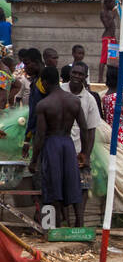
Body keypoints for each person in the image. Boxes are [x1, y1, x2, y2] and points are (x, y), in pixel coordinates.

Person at [28, 66, 91, 228]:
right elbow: (84, 128)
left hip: (52, 144)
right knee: (73, 182)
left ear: (45, 82)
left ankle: (55, 225)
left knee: (53, 183)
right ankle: (79, 223)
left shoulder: (44, 104)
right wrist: (84, 152)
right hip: (67, 143)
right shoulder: (74, 101)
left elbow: (40, 135)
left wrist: (34, 160)